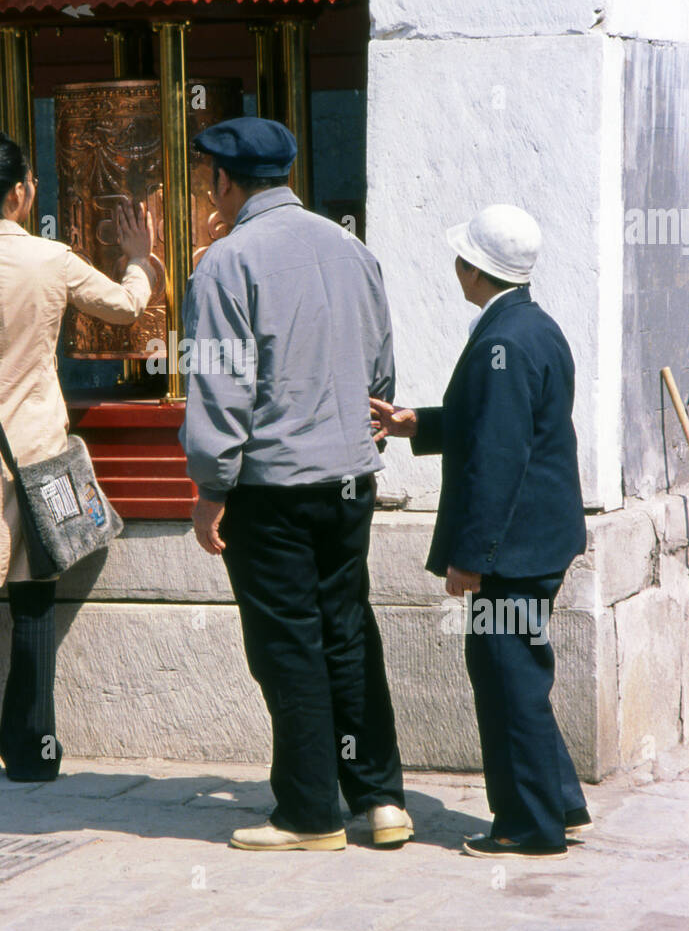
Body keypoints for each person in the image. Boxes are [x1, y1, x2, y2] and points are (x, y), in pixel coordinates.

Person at [180, 115, 411, 852]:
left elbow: (220, 390)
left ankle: (309, 811)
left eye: (204, 177)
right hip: (348, 477)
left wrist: (210, 486)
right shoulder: (350, 247)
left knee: (287, 643)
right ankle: (377, 799)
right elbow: (380, 370)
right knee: (346, 629)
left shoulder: (225, 261)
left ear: (221, 180)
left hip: (272, 486)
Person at [0, 131, 154, 780]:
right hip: (39, 456)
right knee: (34, 600)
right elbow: (127, 308)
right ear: (18, 194)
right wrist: (140, 258)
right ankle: (31, 749)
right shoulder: (53, 260)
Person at [370, 205, 589, 860]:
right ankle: (558, 799)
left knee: (504, 676)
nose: (454, 267)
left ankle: (527, 826)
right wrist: (420, 424)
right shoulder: (527, 326)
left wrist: (470, 557)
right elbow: (494, 421)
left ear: (473, 269)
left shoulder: (502, 342)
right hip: (536, 537)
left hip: (514, 547)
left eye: (459, 258)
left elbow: (498, 457)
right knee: (518, 670)